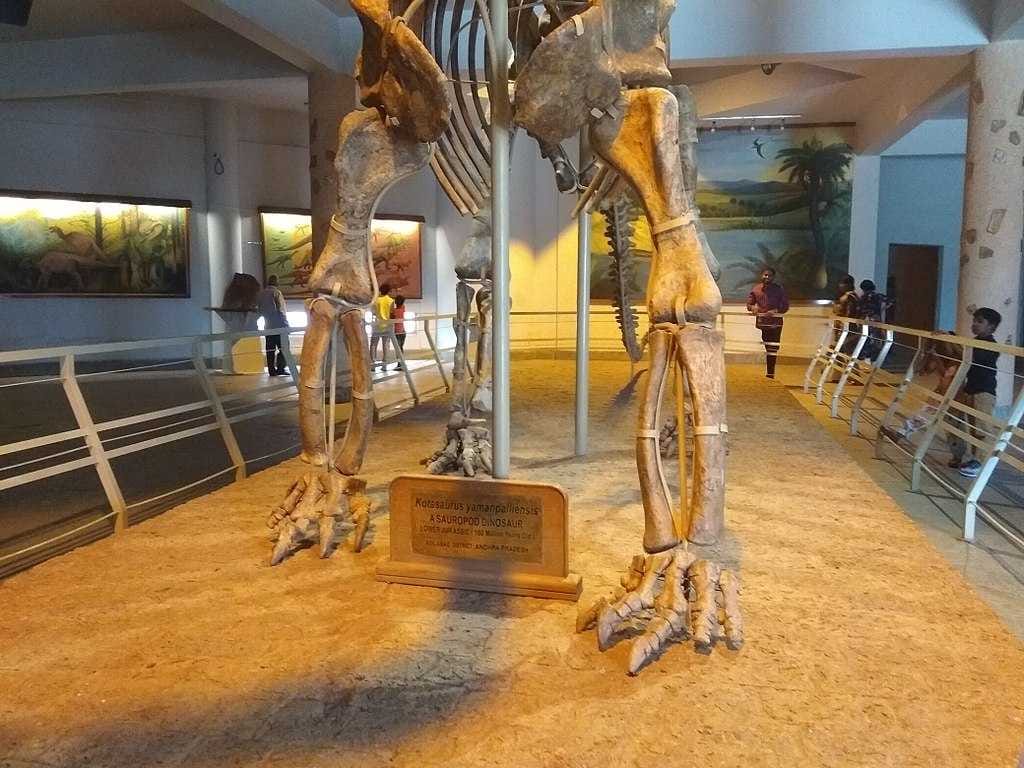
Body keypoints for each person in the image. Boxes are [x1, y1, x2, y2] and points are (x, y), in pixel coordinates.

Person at [948, 307, 1002, 478]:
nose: (974, 324)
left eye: (980, 321)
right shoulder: (974, 342)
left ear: (992, 327)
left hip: (984, 392)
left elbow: (971, 359)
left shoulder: (991, 346)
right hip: (969, 389)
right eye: (974, 320)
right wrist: (948, 337)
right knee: (965, 425)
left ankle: (980, 462)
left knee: (982, 428)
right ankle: (964, 457)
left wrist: (952, 340)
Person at [746, 267, 790, 379]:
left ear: (773, 277)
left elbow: (785, 306)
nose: (767, 277)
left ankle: (770, 373)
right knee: (768, 347)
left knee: (773, 348)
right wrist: (753, 308)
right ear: (761, 275)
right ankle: (770, 372)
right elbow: (749, 304)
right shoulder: (756, 289)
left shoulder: (779, 289)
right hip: (763, 323)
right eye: (765, 275)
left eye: (769, 275)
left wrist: (775, 311)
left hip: (776, 323)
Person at [257, 275, 289, 375]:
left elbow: (259, 310)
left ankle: (271, 370)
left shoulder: (261, 294)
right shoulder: (276, 292)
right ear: (276, 282)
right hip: (279, 325)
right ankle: (280, 368)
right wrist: (286, 324)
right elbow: (280, 310)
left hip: (268, 325)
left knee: (270, 350)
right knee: (284, 348)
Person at [858, 279, 894, 361]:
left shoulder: (863, 297)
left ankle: (866, 357)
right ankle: (876, 358)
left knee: (865, 339)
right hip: (877, 320)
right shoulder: (879, 296)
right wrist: (882, 309)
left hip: (866, 320)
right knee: (877, 339)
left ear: (863, 288)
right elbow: (890, 302)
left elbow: (859, 309)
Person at [369, 283, 395, 371]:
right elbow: (392, 314)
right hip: (387, 325)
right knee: (386, 345)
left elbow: (373, 312)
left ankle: (373, 364)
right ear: (388, 291)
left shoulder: (376, 300)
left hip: (376, 325)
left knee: (373, 345)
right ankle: (384, 365)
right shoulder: (391, 301)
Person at [392, 294, 407, 370]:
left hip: (397, 332)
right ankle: (401, 364)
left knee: (398, 349)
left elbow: (391, 317)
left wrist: (391, 305)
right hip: (403, 332)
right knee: (401, 348)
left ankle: (400, 365)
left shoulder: (394, 311)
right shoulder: (403, 309)